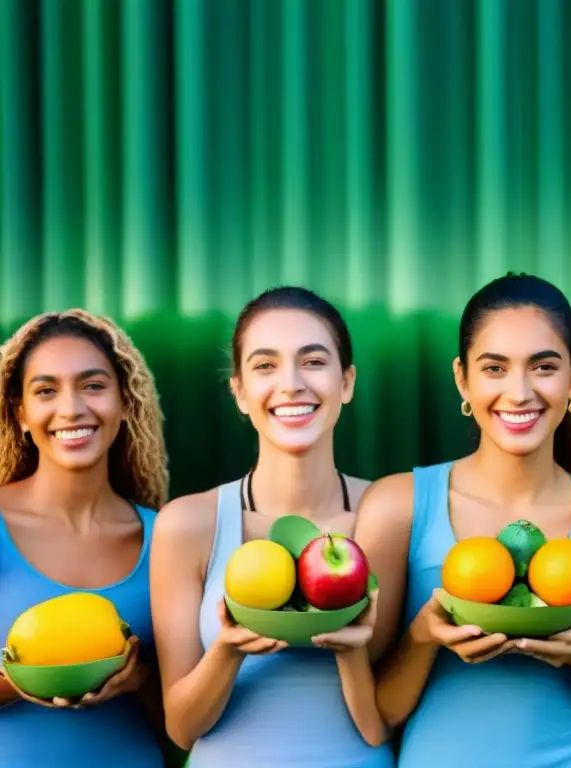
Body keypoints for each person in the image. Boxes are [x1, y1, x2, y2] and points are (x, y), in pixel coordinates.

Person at [353, 273, 571, 767]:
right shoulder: (398, 508)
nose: (519, 392)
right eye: (494, 368)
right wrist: (424, 636)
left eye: (543, 367)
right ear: (462, 378)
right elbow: (376, 713)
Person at [149, 286, 394, 767]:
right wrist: (228, 647)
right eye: (265, 366)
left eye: (314, 361)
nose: (292, 384)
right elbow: (180, 729)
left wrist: (349, 648)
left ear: (346, 382)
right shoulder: (189, 524)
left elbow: (384, 721)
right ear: (239, 392)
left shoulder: (389, 512)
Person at [0, 310, 170, 766]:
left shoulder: (167, 536)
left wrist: (140, 679)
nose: (72, 408)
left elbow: (189, 728)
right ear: (21, 414)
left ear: (124, 403)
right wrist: (23, 680)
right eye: (46, 391)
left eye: (93, 386)